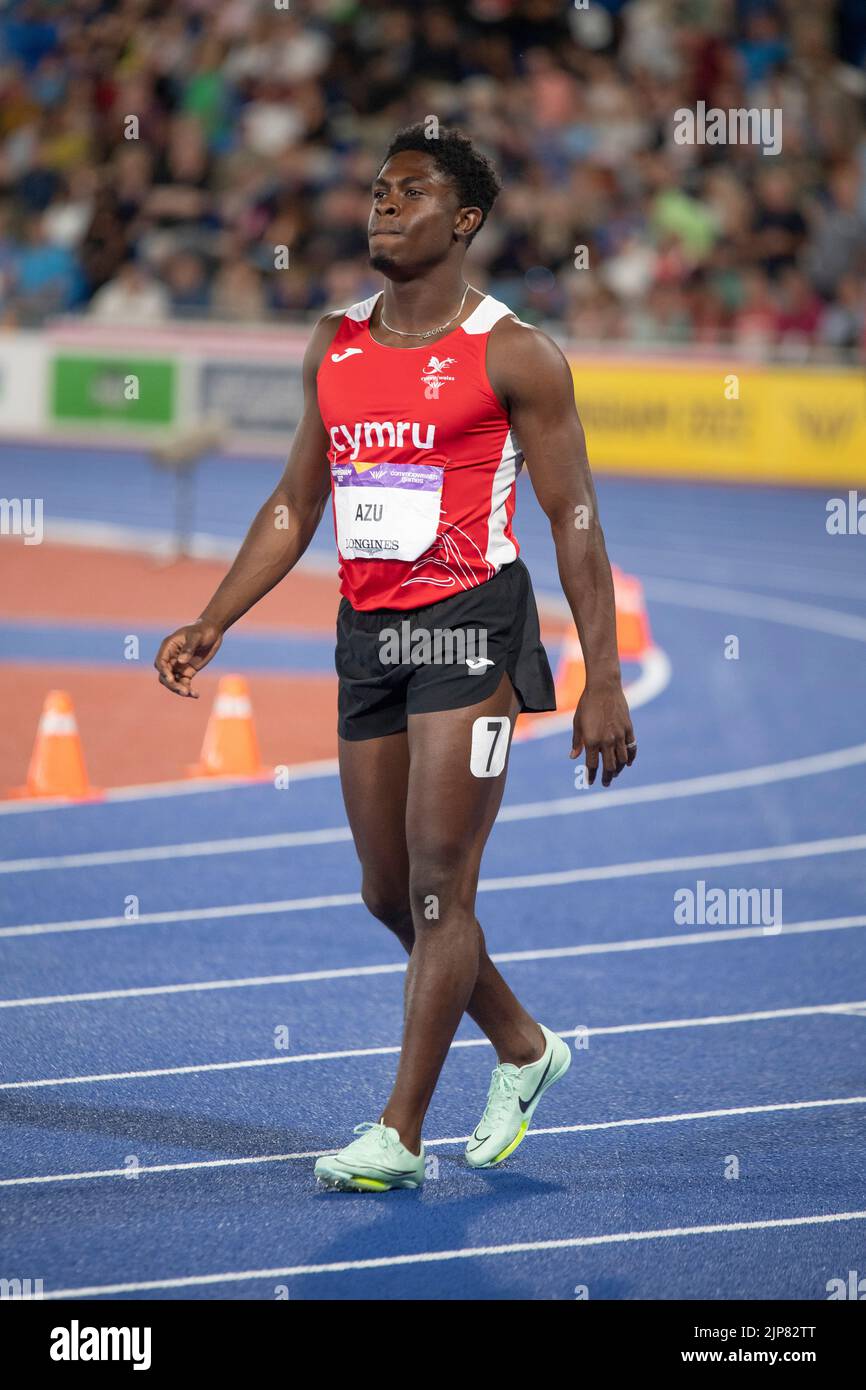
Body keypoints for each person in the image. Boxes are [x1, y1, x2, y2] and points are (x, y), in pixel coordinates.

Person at [155, 124, 637, 1192]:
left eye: (408, 193)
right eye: (376, 191)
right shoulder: (334, 342)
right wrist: (215, 615)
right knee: (386, 889)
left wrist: (600, 674)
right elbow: (295, 501)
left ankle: (398, 1132)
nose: (381, 206)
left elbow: (574, 517)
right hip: (371, 634)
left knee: (435, 881)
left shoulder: (514, 354)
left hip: (471, 628)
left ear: (463, 220)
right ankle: (523, 1046)